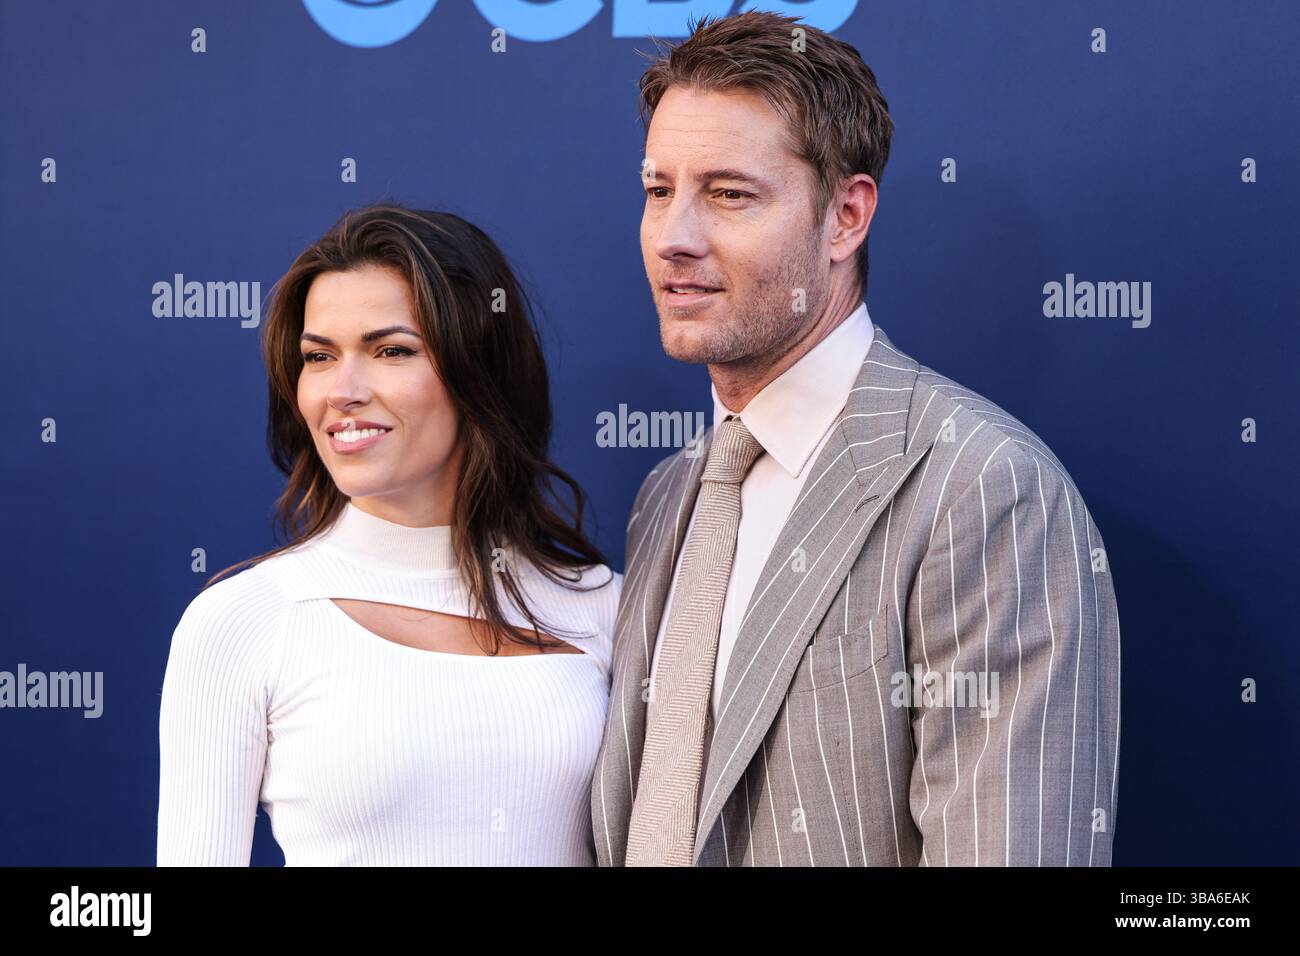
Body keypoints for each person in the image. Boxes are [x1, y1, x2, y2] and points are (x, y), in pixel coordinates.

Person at [591, 11, 1121, 866]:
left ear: (846, 216)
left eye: (729, 194)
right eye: (659, 191)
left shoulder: (982, 488)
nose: (675, 239)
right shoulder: (670, 493)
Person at [158, 203, 620, 866]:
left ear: (478, 371)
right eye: (318, 357)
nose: (342, 390)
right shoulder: (243, 622)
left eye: (391, 351)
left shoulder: (606, 607)